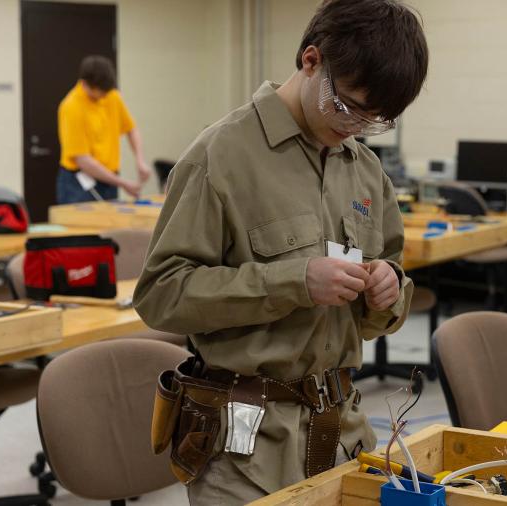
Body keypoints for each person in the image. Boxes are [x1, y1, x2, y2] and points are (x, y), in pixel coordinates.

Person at [133, 0, 428, 502]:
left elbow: (386, 301)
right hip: (245, 448)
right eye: (347, 106)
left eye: (374, 119)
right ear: (311, 61)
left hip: (343, 433)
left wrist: (388, 290)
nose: (355, 125)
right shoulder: (219, 156)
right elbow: (161, 295)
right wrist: (294, 282)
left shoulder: (363, 170)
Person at [56, 55, 150, 203]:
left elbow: (131, 129)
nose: (105, 97)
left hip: (109, 179)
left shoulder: (112, 96)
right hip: (78, 183)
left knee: (110, 224)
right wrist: (123, 183)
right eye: (101, 93)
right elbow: (83, 160)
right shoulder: (71, 107)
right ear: (86, 84)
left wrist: (140, 160)